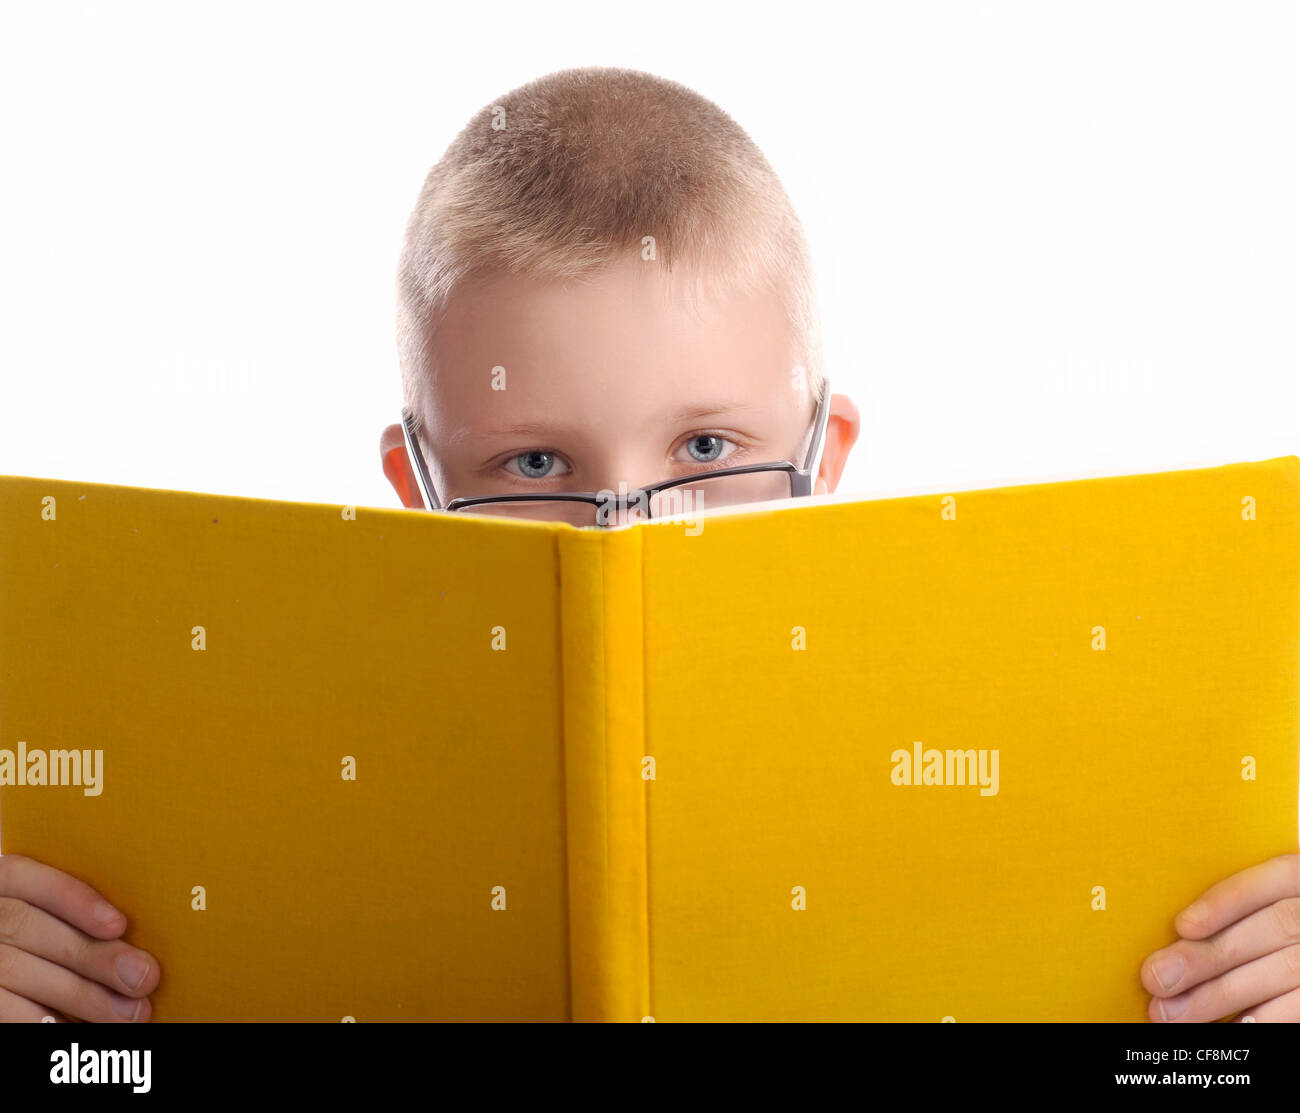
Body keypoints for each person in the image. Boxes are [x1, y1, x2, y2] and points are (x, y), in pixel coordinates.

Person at [1, 67, 1293, 1024]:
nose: (630, 532)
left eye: (708, 453)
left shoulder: (1037, 758)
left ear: (825, 457)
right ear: (415, 485)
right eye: (538, 465)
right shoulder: (226, 777)